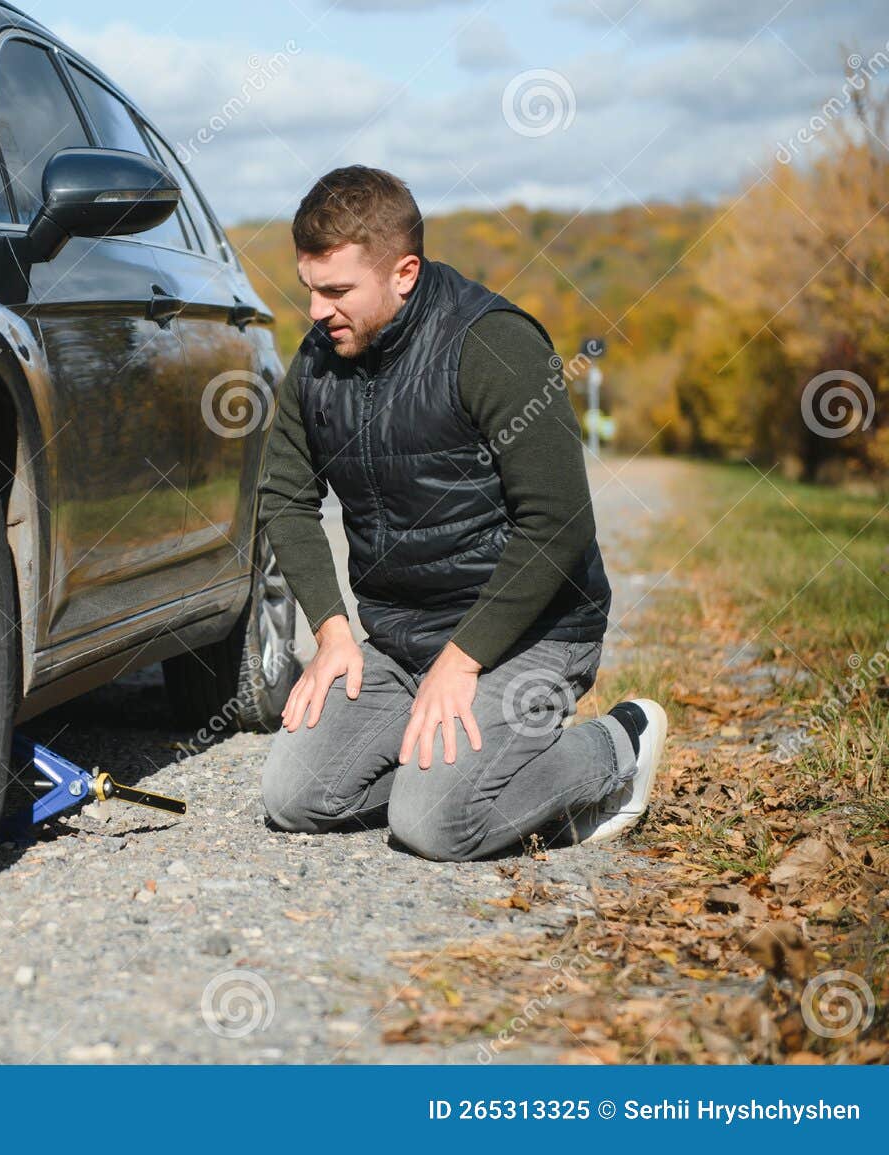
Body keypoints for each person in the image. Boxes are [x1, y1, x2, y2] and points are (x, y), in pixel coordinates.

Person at [258, 165, 667, 860]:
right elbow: (286, 497)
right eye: (309, 291)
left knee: (434, 824)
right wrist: (331, 632)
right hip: (404, 640)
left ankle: (617, 743)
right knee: (295, 796)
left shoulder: (492, 344)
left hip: (530, 636)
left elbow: (559, 523)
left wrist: (464, 658)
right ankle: (458, 779)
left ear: (405, 272)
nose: (317, 312)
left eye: (336, 291)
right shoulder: (319, 361)